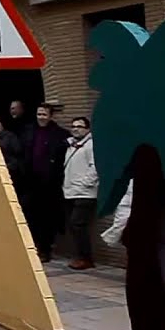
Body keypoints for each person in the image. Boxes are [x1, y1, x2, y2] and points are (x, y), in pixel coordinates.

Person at [19, 103, 69, 261]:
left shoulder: (60, 134)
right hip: (30, 181)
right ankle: (33, 247)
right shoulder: (28, 131)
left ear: (51, 116)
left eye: (44, 114)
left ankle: (45, 249)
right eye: (39, 114)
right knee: (30, 215)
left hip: (49, 183)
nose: (41, 117)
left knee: (47, 217)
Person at [62, 116, 98, 271]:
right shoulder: (71, 145)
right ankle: (79, 255)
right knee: (74, 225)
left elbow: (95, 167)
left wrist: (84, 183)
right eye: (74, 126)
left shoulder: (91, 145)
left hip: (85, 193)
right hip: (70, 192)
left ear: (87, 129)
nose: (76, 128)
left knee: (78, 224)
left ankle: (86, 258)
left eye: (80, 126)